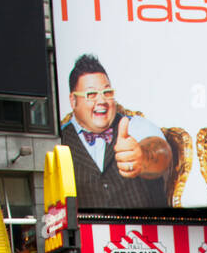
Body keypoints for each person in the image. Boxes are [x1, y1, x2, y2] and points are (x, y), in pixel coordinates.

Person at [62, 54, 171, 209]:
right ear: (73, 101)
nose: (102, 101)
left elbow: (163, 155)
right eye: (91, 94)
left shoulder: (135, 125)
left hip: (144, 231)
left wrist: (143, 157)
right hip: (86, 232)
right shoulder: (59, 141)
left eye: (107, 93)